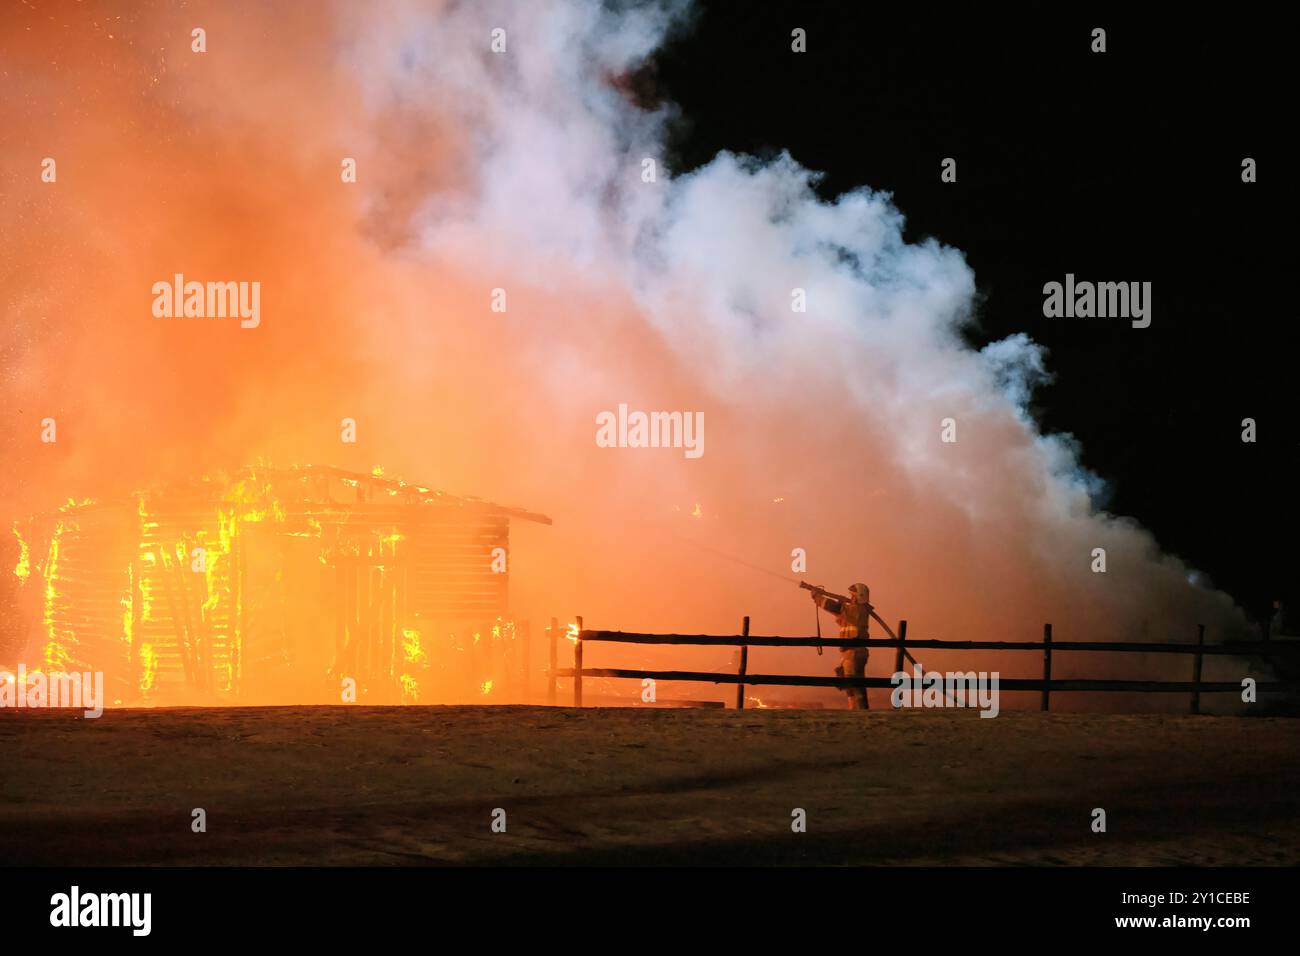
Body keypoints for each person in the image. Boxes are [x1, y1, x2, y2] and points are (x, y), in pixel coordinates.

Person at [810, 583, 872, 709]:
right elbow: (840, 613)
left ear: (858, 596)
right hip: (850, 652)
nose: (851, 598)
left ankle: (858, 711)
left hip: (854, 651)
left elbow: (834, 607)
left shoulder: (857, 610)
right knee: (851, 684)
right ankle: (855, 709)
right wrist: (820, 598)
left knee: (854, 684)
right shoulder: (854, 611)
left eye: (852, 595)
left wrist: (817, 597)